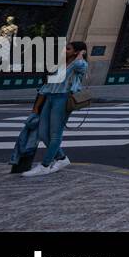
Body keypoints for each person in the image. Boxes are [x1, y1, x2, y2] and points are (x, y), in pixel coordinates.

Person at [11, 40, 89, 176]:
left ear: (76, 52)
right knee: (42, 133)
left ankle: (45, 165)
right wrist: (37, 107)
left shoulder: (78, 65)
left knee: (55, 134)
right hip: (50, 98)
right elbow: (47, 85)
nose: (65, 50)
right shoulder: (60, 63)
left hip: (63, 99)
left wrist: (81, 54)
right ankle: (62, 158)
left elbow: (80, 64)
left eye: (69, 49)